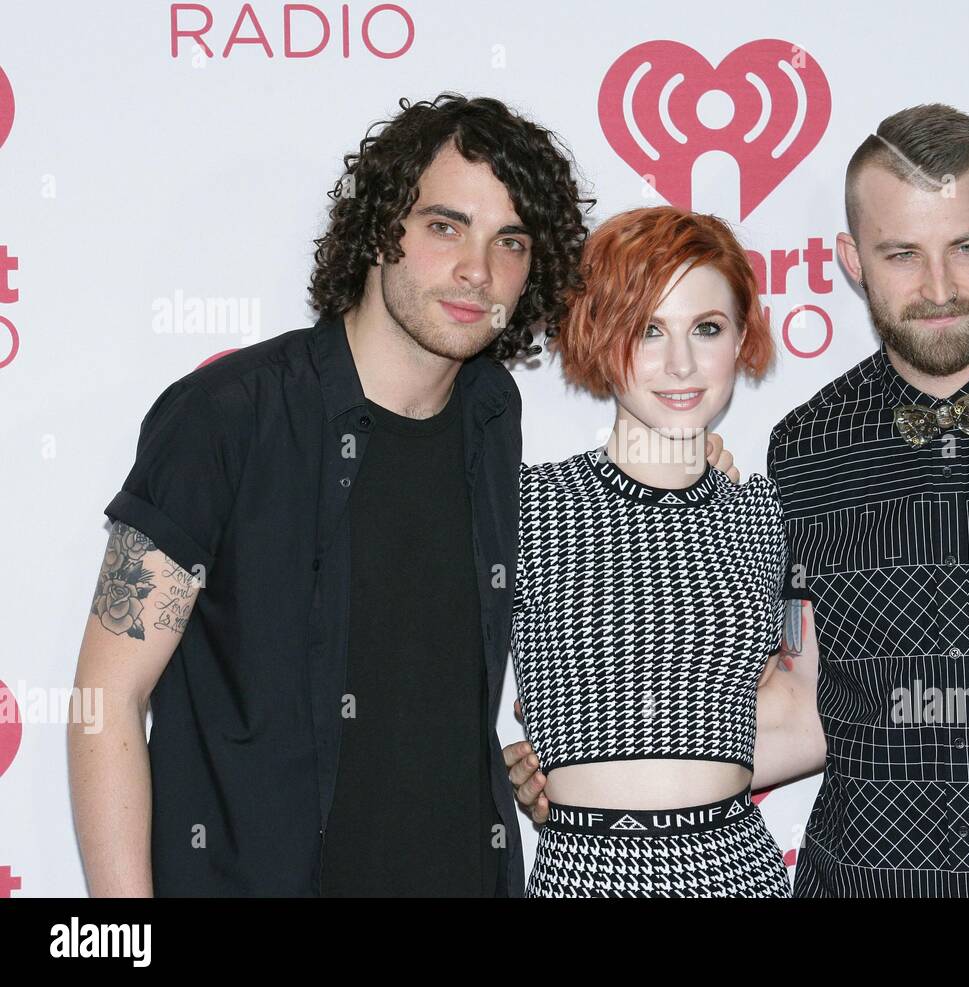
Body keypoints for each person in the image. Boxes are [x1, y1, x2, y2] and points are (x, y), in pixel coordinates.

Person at [511, 103, 969, 898]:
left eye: (967, 247)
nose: (938, 286)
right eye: (902, 254)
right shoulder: (803, 451)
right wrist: (589, 768)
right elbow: (805, 702)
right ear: (852, 260)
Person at [69, 92, 599, 896]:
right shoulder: (227, 415)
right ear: (381, 226)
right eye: (444, 225)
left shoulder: (494, 413)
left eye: (510, 241)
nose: (477, 271)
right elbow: (108, 695)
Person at [506, 206, 822, 897]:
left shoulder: (763, 513)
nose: (681, 362)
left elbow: (803, 709)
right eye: (648, 330)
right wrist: (511, 767)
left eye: (706, 328)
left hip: (735, 867)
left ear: (741, 336)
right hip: (580, 870)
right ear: (598, 334)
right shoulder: (526, 508)